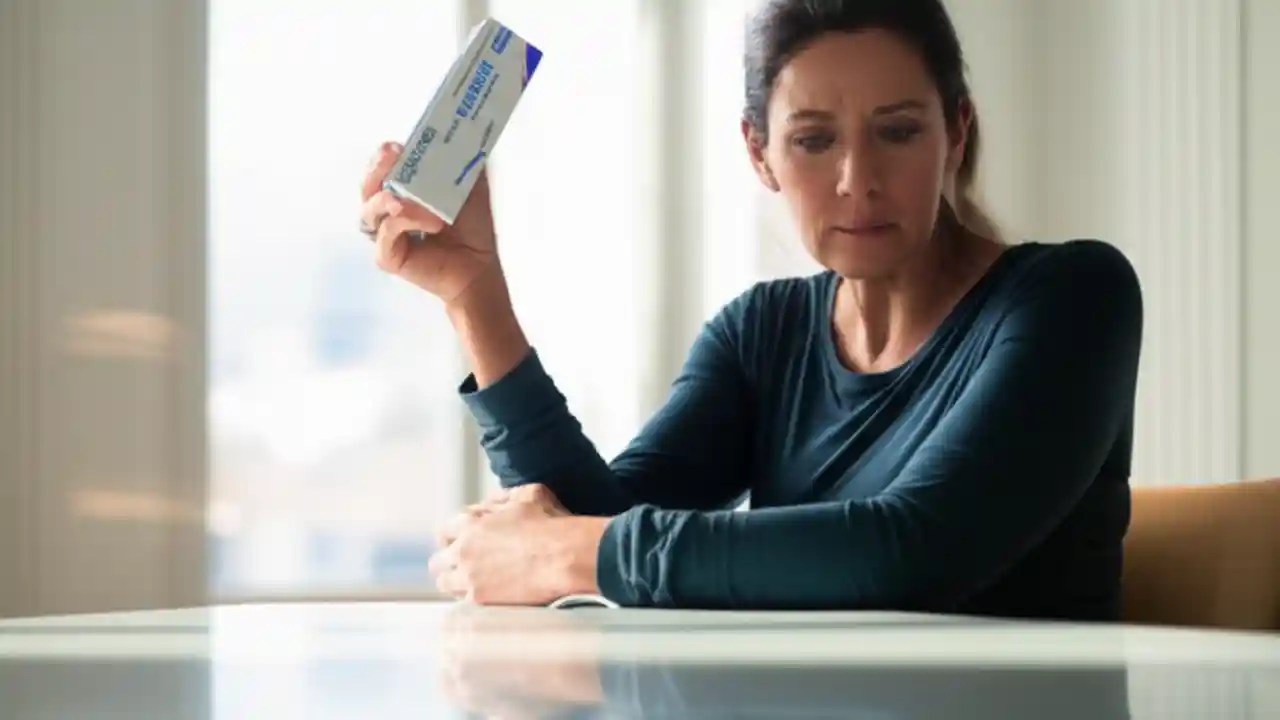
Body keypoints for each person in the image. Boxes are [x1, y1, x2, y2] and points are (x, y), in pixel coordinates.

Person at [357, 0, 1142, 620]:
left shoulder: (1072, 298)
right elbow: (592, 518)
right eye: (812, 141)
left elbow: (915, 550)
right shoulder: (761, 334)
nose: (856, 180)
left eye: (898, 132)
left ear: (957, 131)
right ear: (757, 152)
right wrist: (475, 295)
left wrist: (570, 553)